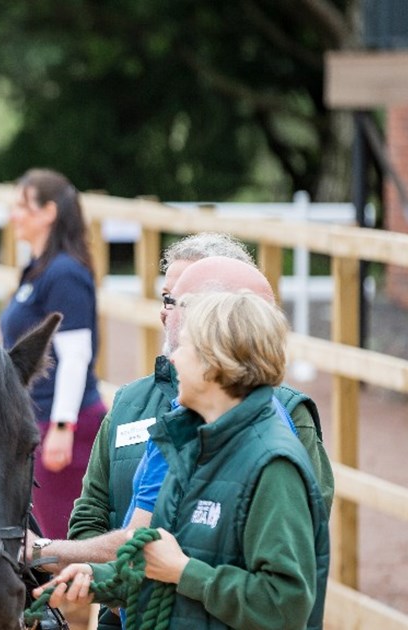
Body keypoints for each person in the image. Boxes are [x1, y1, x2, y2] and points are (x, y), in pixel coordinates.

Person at [29, 237, 334, 629]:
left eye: (187, 346)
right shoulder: (178, 440)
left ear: (217, 358)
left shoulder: (275, 459)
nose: (172, 358)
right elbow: (153, 551)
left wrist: (184, 573)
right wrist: (97, 579)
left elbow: (286, 600)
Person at [0, 168, 105, 539]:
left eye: (21, 205)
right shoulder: (37, 269)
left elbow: (76, 355)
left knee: (58, 547)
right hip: (34, 419)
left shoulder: (64, 274)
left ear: (48, 212)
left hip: (64, 426)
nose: (13, 214)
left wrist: (63, 427)